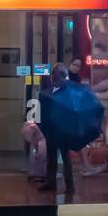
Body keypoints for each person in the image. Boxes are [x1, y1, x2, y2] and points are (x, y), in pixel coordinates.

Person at [39, 64, 75, 193]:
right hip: (51, 127)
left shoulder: (67, 91)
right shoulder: (49, 89)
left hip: (63, 128)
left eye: (55, 74)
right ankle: (50, 182)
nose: (53, 77)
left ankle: (70, 186)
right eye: (53, 74)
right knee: (51, 156)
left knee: (65, 158)